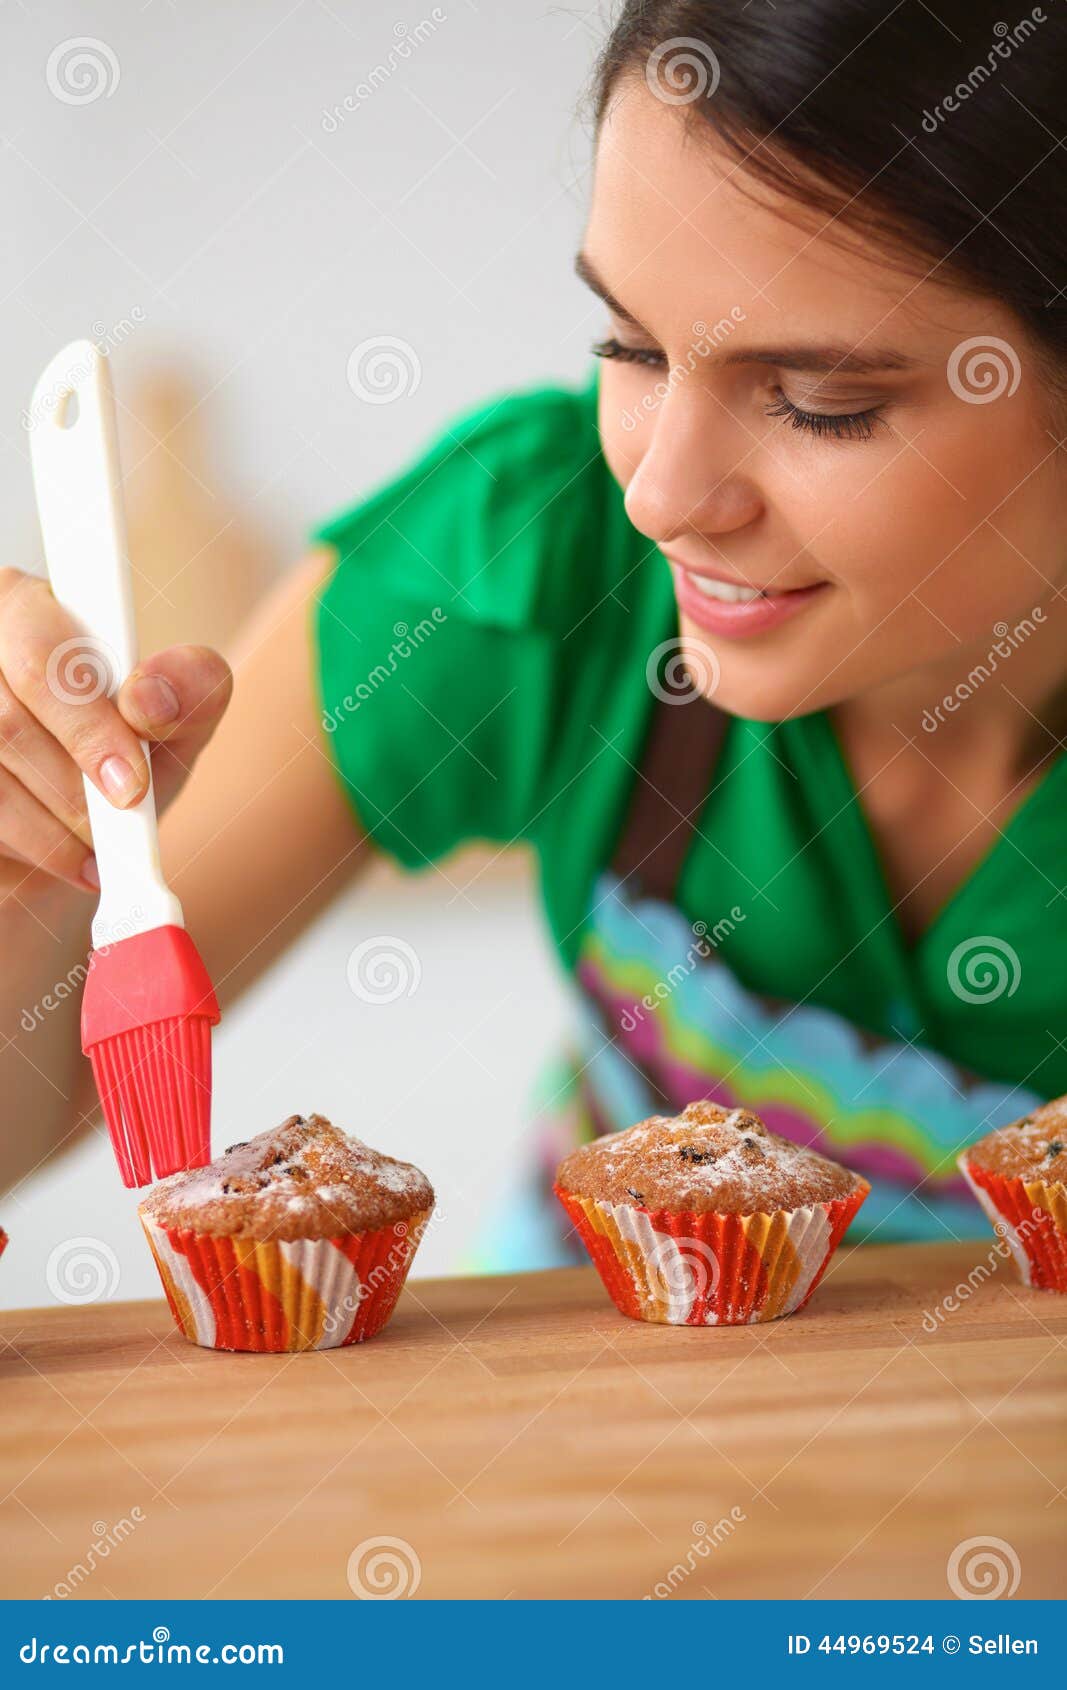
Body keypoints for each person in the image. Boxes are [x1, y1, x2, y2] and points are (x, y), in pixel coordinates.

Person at [2, 0, 1065, 1265]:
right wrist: (30, 904)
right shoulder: (530, 557)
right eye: (630, 345)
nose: (659, 497)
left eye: (815, 401)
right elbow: (45, 1101)